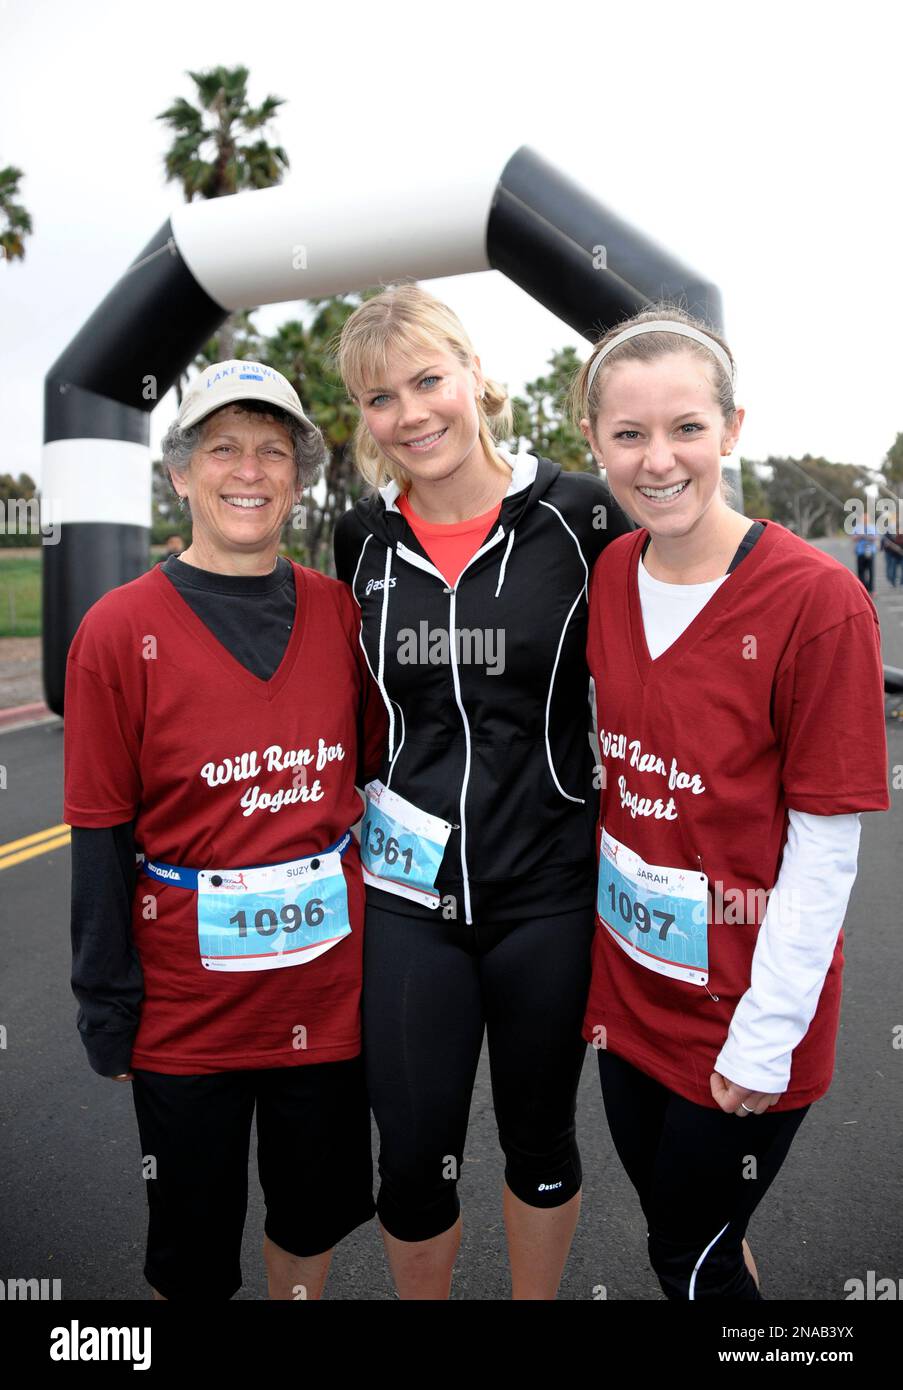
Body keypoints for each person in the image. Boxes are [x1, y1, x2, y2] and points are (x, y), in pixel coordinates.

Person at [571, 305, 889, 1300]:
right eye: (629, 434)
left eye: (687, 429)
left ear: (732, 429)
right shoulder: (612, 572)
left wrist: (766, 1031)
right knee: (700, 1233)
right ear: (594, 442)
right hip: (629, 998)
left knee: (687, 1256)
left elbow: (826, 844)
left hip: (745, 1011)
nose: (658, 460)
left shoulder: (817, 602)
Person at [332, 284, 633, 1300]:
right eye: (381, 397)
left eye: (427, 380)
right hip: (410, 900)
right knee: (411, 1161)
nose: (411, 412)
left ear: (475, 380)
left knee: (540, 1140)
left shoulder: (580, 513)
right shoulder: (360, 538)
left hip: (546, 890)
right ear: (364, 419)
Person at [64, 360, 387, 1301]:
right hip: (185, 1015)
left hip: (326, 1003)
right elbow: (98, 833)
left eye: (272, 452)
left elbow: (375, 773)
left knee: (308, 1218)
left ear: (298, 477)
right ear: (179, 473)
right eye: (222, 449)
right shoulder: (118, 632)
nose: (248, 470)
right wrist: (106, 1003)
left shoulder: (341, 614)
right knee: (194, 1250)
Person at [853, 518, 878, 591]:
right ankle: (863, 588)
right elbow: (853, 538)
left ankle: (871, 589)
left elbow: (876, 537)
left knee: (871, 571)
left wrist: (866, 536)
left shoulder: (872, 527)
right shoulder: (857, 528)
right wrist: (860, 536)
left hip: (870, 552)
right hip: (860, 552)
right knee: (861, 571)